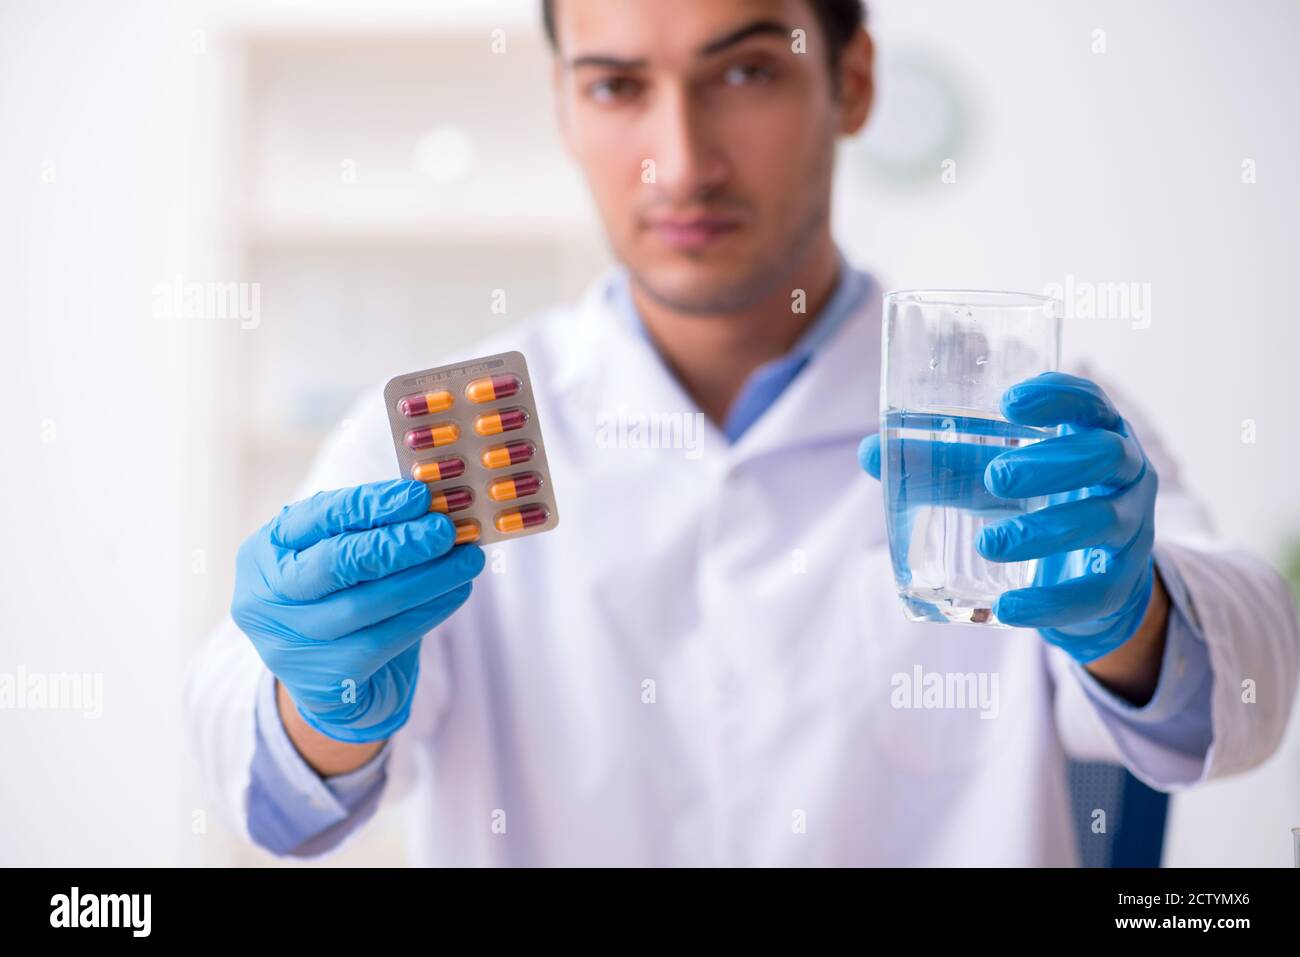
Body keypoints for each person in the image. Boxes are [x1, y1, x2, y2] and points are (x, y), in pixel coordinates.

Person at [184, 0, 1299, 865]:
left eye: (747, 70)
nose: (682, 156)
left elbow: (1246, 696)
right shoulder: (452, 434)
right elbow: (262, 788)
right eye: (618, 86)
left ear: (851, 81)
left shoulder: (1013, 413)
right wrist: (315, 704)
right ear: (566, 108)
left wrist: (1138, 618)